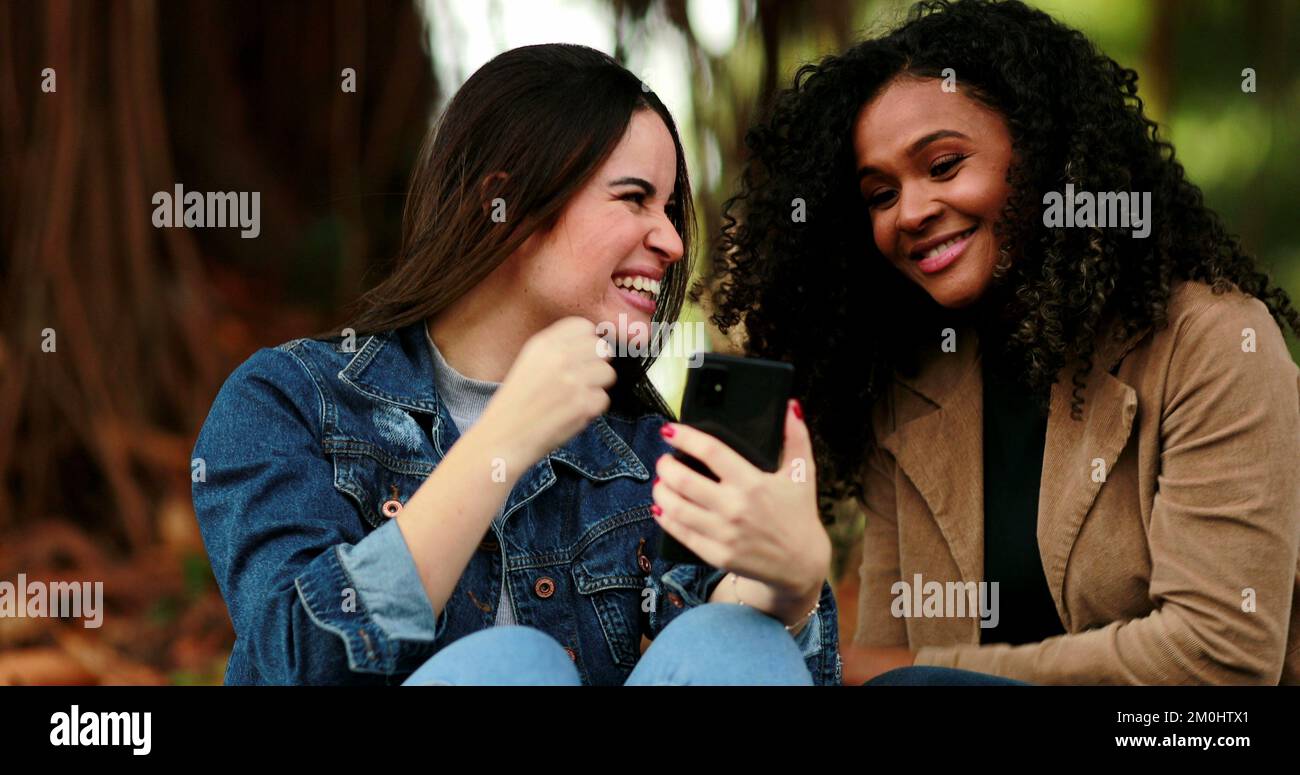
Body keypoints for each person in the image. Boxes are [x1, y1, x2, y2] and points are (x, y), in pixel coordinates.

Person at [191, 43, 840, 686]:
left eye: (669, 209)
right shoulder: (288, 400)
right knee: (514, 665)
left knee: (728, 640)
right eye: (635, 197)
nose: (672, 240)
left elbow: (713, 650)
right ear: (507, 202)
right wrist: (505, 436)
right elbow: (297, 661)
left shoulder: (642, 451)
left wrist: (788, 585)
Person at [707, 0, 1300, 685]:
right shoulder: (913, 387)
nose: (911, 211)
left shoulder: (1215, 342)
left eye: (945, 164)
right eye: (879, 194)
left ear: (1044, 152)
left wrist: (935, 672)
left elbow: (1218, 656)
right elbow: (880, 649)